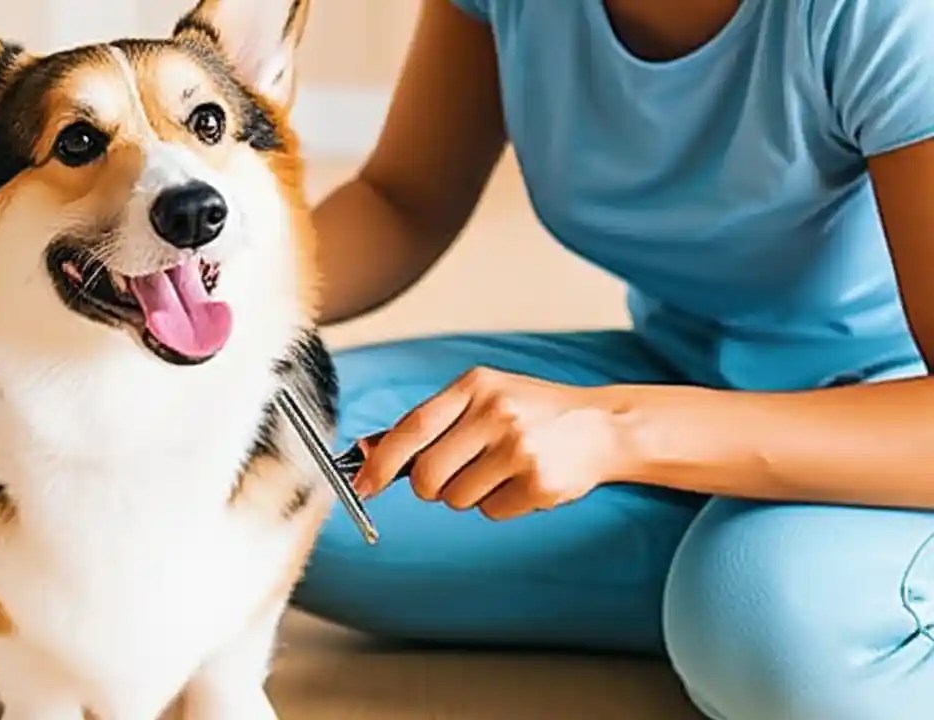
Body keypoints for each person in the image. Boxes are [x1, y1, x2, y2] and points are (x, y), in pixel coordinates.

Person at [290, 1, 934, 718]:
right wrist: (217, 301)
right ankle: (743, 575)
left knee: (766, 619)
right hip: (683, 368)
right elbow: (403, 197)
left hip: (894, 420)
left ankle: (764, 593)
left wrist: (615, 430)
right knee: (281, 467)